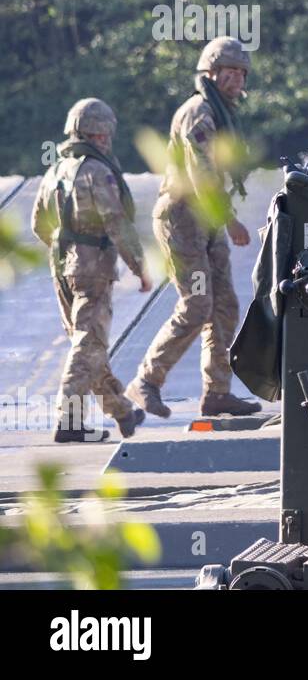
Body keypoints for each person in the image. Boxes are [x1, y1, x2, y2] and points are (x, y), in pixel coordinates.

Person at [126, 38, 261, 418]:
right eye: (229, 72)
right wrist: (229, 220)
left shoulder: (223, 113)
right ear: (211, 74)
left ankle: (217, 392)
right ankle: (146, 382)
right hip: (183, 220)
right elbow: (200, 171)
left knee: (224, 306)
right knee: (197, 304)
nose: (236, 79)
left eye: (240, 73)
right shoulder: (199, 112)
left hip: (207, 221)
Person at [32, 99, 150, 441]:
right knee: (88, 344)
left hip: (63, 268)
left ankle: (122, 411)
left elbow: (39, 223)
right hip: (93, 268)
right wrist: (139, 266)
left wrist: (64, 252)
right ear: (101, 134)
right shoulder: (97, 171)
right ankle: (68, 421)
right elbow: (117, 223)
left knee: (87, 342)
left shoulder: (55, 170)